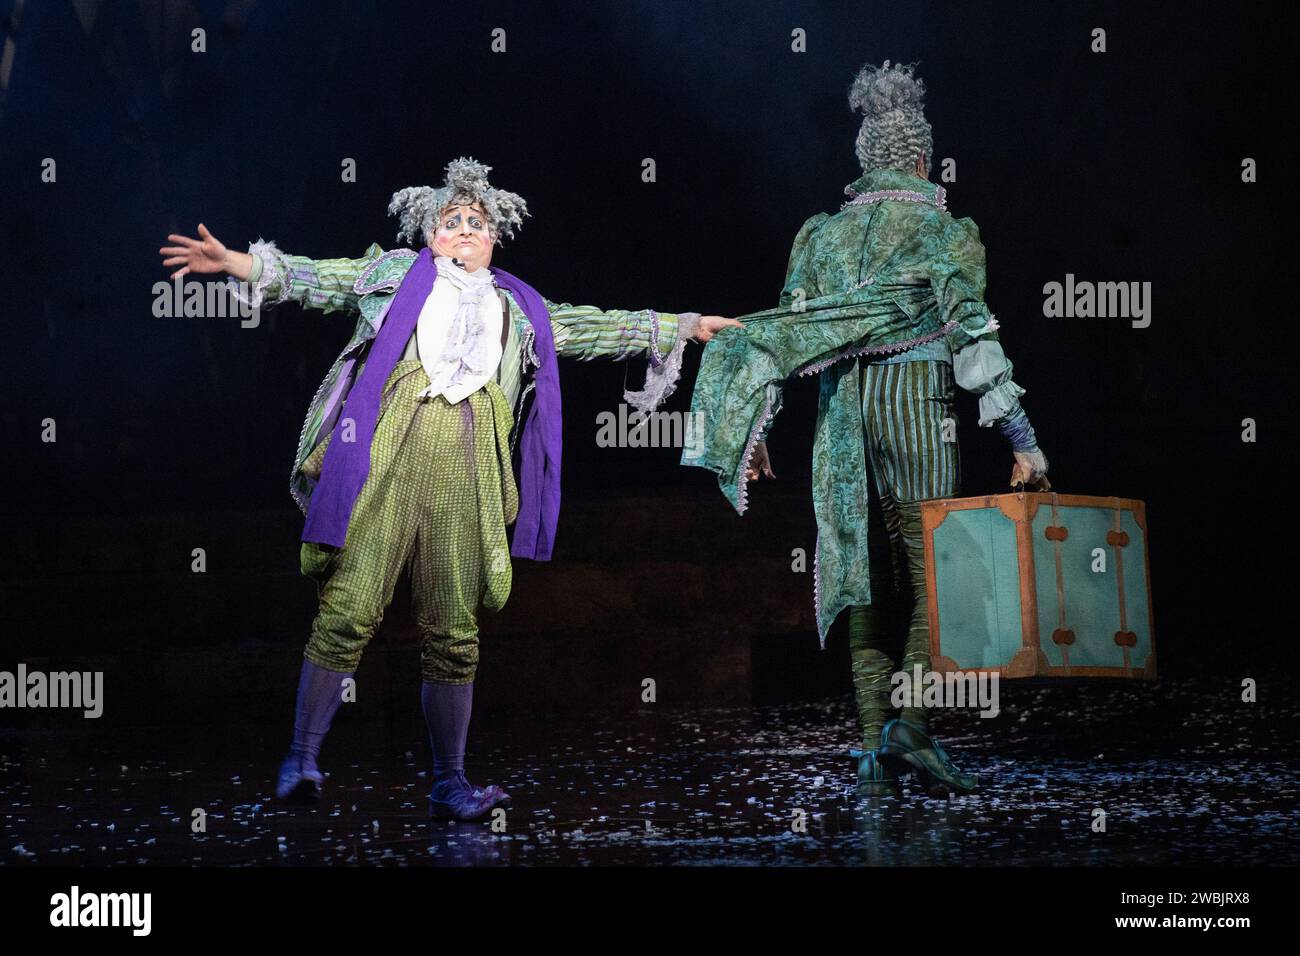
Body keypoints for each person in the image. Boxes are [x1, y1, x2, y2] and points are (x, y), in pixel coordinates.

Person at [159, 157, 738, 820]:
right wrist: (236, 261)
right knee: (349, 610)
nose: (465, 229)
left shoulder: (517, 308)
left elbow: (593, 325)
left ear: (495, 239)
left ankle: (450, 781)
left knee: (455, 629)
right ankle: (301, 756)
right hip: (390, 455)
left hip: (468, 469)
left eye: (478, 222)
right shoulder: (395, 276)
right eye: (452, 220)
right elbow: (314, 278)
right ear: (431, 233)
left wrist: (686, 324)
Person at [682, 62, 1049, 798]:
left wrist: (755, 436)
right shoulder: (943, 230)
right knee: (936, 580)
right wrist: (1022, 437)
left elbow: (788, 333)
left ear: (865, 159)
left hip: (842, 411)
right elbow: (973, 334)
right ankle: (910, 729)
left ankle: (875, 747)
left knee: (863, 582)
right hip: (915, 400)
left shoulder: (818, 235)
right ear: (920, 160)